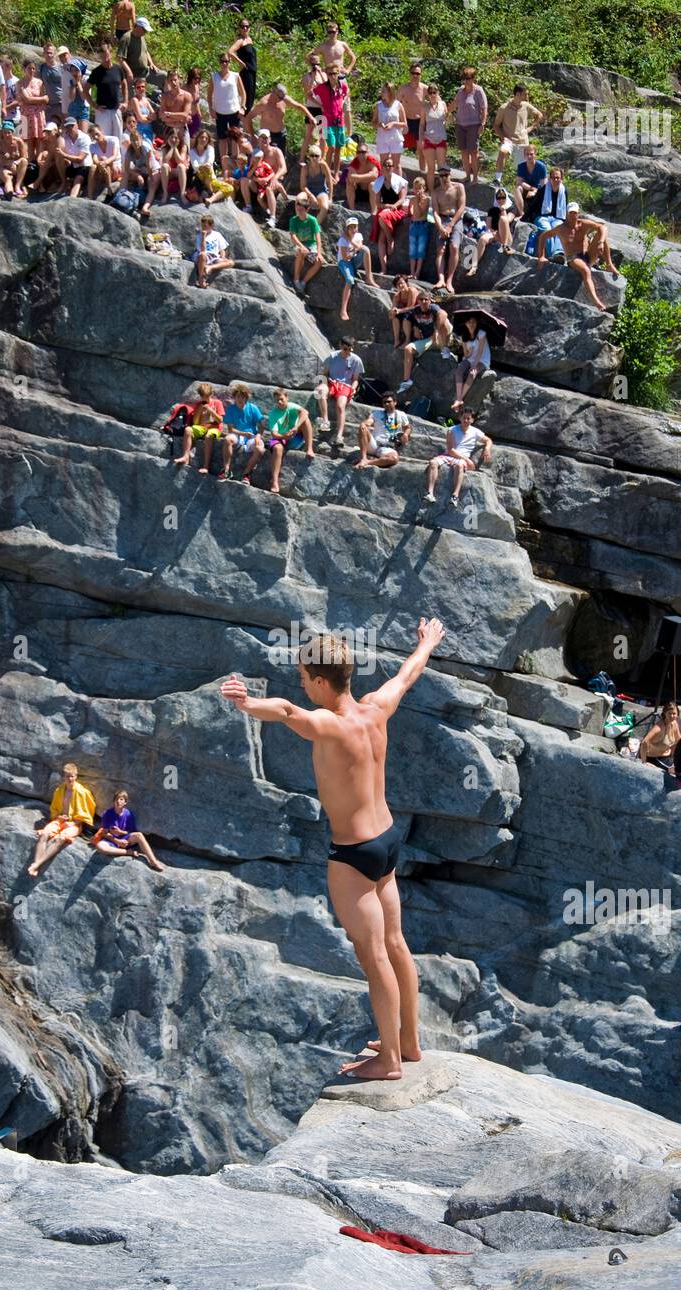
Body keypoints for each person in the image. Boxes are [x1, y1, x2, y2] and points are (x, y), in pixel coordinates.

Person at [220, 617, 447, 1081]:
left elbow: (285, 712)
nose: (301, 685)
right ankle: (408, 1042)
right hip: (387, 841)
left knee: (374, 954)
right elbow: (408, 674)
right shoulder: (375, 709)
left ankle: (388, 1061)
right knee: (396, 943)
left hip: (355, 854)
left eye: (305, 678)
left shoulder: (328, 724)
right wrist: (426, 642)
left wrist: (246, 704)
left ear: (321, 682)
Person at [536, 204, 616, 311]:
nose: (573, 215)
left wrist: (600, 241)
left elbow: (603, 227)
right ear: (566, 214)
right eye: (571, 213)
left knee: (603, 236)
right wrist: (541, 256)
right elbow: (543, 236)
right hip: (573, 258)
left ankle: (609, 265)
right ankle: (597, 302)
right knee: (586, 271)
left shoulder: (583, 224)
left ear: (578, 214)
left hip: (587, 255)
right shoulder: (561, 229)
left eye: (575, 213)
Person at [28, 762, 96, 878]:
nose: (70, 779)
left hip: (74, 824)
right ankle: (36, 865)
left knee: (60, 838)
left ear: (76, 776)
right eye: (67, 776)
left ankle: (36, 865)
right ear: (63, 777)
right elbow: (54, 810)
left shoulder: (81, 792)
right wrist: (58, 817)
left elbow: (86, 812)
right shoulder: (59, 791)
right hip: (60, 821)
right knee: (44, 834)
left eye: (72, 776)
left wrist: (72, 823)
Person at [424, 407, 492, 508]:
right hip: (450, 455)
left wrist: (487, 448)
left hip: (460, 460)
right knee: (433, 462)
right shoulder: (452, 430)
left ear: (472, 420)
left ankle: (455, 496)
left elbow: (488, 440)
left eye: (468, 418)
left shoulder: (475, 432)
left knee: (459, 465)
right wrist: (467, 459)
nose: (466, 420)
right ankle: (430, 493)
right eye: (464, 418)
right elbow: (450, 450)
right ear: (460, 418)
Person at [92, 789, 165, 871]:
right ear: (113, 801)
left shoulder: (128, 814)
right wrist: (117, 841)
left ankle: (153, 861)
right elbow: (104, 833)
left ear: (125, 802)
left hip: (125, 839)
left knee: (139, 835)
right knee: (99, 847)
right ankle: (128, 852)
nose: (118, 801)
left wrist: (120, 832)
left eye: (121, 799)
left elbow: (131, 831)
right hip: (112, 840)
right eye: (116, 799)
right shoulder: (107, 814)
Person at [396, 289, 452, 393]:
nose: (424, 302)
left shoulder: (434, 308)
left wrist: (436, 330)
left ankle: (446, 349)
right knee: (408, 349)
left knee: (445, 323)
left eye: (426, 299)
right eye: (421, 299)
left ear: (430, 301)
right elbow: (406, 320)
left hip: (440, 338)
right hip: (427, 340)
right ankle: (406, 380)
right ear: (418, 301)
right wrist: (414, 329)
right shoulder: (416, 310)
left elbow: (443, 314)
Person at [316, 337, 364, 448]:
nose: (348, 352)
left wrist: (353, 389)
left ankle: (339, 436)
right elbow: (324, 375)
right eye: (345, 349)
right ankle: (325, 421)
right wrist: (327, 381)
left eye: (350, 349)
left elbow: (356, 379)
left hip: (345, 386)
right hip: (331, 382)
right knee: (320, 391)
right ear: (340, 345)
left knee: (340, 406)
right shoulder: (332, 357)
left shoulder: (356, 360)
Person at [264, 386, 314, 492]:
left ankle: (309, 448)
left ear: (287, 398)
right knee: (277, 448)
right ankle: (275, 482)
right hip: (281, 439)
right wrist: (284, 436)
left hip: (295, 437)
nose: (280, 402)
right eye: (277, 400)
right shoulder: (273, 413)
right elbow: (274, 434)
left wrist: (296, 427)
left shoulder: (291, 406)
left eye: (282, 399)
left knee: (306, 420)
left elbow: (305, 412)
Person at [492, 84, 543, 185]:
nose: (527, 96)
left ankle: (526, 187)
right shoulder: (504, 108)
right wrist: (503, 138)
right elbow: (496, 126)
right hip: (509, 140)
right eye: (526, 94)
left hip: (523, 142)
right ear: (518, 94)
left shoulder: (526, 105)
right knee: (502, 151)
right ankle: (497, 180)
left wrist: (531, 127)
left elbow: (539, 115)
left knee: (523, 169)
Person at [249, 80, 313, 155]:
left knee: (281, 157)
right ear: (274, 93)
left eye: (283, 97)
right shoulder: (263, 103)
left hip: (281, 134)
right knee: (269, 158)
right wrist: (252, 135)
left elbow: (298, 106)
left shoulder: (283, 99)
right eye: (280, 97)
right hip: (267, 136)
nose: (281, 100)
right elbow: (248, 118)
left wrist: (311, 117)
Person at [85, 40, 131, 142]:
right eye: (101, 53)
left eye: (106, 51)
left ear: (110, 52)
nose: (104, 55)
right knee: (102, 139)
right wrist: (94, 105)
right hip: (103, 111)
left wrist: (126, 102)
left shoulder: (118, 69)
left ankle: (117, 158)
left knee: (117, 139)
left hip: (116, 109)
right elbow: (85, 89)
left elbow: (124, 85)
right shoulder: (96, 72)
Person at [431, 165, 466, 295]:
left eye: (446, 175)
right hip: (442, 219)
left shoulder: (458, 187)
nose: (444, 178)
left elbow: (462, 207)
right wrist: (440, 227)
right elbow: (435, 212)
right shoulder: (436, 192)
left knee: (454, 247)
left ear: (450, 175)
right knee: (440, 250)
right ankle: (441, 279)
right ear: (438, 177)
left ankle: (449, 280)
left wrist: (451, 225)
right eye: (441, 176)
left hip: (455, 220)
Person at [371, 157, 408, 275]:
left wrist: (393, 206)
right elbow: (377, 202)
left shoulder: (399, 181)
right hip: (386, 210)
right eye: (386, 165)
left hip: (397, 211)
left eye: (390, 165)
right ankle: (383, 268)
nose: (388, 167)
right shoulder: (379, 182)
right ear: (382, 167)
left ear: (393, 167)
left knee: (382, 216)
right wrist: (387, 206)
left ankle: (389, 238)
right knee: (380, 239)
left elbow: (402, 199)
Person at [449, 66, 487, 184]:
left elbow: (484, 108)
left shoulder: (478, 91)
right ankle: (467, 176)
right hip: (460, 125)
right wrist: (444, 111)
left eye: (469, 78)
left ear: (474, 78)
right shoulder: (461, 90)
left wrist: (483, 124)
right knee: (463, 152)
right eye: (465, 78)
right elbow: (455, 104)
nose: (467, 80)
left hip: (473, 125)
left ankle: (475, 177)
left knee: (473, 152)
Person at [176, 379, 226, 468]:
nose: (204, 398)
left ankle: (206, 466)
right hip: (201, 428)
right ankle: (185, 456)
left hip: (214, 428)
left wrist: (210, 410)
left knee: (208, 436)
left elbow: (220, 420)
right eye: (202, 396)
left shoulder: (217, 403)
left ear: (211, 394)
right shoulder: (199, 404)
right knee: (188, 429)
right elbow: (195, 422)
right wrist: (199, 410)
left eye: (207, 396)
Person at [221, 382, 264, 482]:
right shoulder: (230, 409)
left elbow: (261, 428)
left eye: (242, 397)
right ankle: (226, 470)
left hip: (251, 436)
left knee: (260, 449)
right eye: (238, 397)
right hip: (238, 435)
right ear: (234, 398)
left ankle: (246, 474)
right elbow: (230, 429)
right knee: (228, 439)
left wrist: (258, 436)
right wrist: (243, 434)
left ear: (246, 398)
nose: (240, 399)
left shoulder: (253, 408)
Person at [356, 392, 411, 469]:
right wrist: (366, 424)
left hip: (387, 448)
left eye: (389, 402)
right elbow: (369, 421)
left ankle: (368, 462)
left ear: (395, 402)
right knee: (362, 426)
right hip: (373, 444)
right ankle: (363, 457)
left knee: (394, 459)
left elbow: (408, 427)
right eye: (384, 402)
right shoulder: (377, 413)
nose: (386, 404)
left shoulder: (401, 415)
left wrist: (405, 434)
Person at [207, 51, 245, 164]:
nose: (224, 64)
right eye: (222, 61)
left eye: (227, 61)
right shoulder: (214, 77)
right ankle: (224, 162)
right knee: (222, 138)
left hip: (234, 110)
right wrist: (211, 109)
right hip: (220, 112)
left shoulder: (235, 76)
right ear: (219, 62)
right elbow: (209, 95)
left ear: (230, 62)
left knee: (235, 137)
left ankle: (236, 161)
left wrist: (242, 107)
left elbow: (243, 94)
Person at [466, 186, 514, 273]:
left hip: (506, 237)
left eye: (503, 197)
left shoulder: (511, 209)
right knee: (483, 239)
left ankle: (505, 246)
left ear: (506, 198)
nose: (501, 200)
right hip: (495, 234)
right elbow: (488, 225)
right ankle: (474, 266)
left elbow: (508, 220)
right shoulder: (492, 210)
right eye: (498, 198)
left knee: (503, 219)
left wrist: (503, 210)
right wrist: (492, 231)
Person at [336, 217, 376, 321]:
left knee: (366, 250)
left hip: (353, 259)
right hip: (344, 262)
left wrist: (351, 241)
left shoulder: (358, 235)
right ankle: (343, 310)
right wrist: (352, 247)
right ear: (347, 229)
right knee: (349, 280)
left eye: (355, 227)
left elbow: (360, 247)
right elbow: (345, 257)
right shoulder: (342, 240)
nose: (353, 229)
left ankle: (369, 277)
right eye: (351, 227)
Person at [314, 61, 349, 176]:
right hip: (327, 121)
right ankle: (327, 172)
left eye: (334, 73)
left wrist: (343, 101)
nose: (332, 76)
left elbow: (347, 92)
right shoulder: (323, 87)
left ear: (338, 73)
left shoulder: (342, 85)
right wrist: (320, 105)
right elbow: (309, 93)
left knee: (339, 148)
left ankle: (336, 173)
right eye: (330, 74)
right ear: (327, 75)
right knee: (332, 147)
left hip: (339, 121)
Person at [244, 129, 286, 227]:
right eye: (261, 138)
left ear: (270, 139)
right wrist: (258, 180)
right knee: (244, 181)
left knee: (269, 189)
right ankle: (248, 206)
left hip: (273, 181)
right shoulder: (255, 153)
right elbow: (250, 172)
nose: (264, 140)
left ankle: (272, 218)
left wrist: (275, 178)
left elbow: (284, 168)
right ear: (258, 139)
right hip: (259, 183)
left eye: (266, 138)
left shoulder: (276, 151)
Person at [451, 313, 492, 408]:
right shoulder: (464, 336)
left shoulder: (481, 334)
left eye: (473, 322)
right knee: (459, 370)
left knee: (472, 373)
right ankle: (458, 397)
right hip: (470, 358)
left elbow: (480, 351)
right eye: (469, 322)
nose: (471, 324)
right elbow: (465, 354)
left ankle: (459, 399)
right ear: (466, 323)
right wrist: (470, 352)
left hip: (482, 359)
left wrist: (474, 364)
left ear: (477, 323)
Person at [121, 119, 159, 215]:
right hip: (141, 170)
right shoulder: (130, 150)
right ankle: (120, 196)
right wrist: (137, 175)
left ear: (140, 139)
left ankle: (145, 208)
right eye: (133, 140)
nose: (135, 142)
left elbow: (150, 166)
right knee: (125, 175)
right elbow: (126, 168)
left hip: (152, 170)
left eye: (137, 139)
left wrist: (150, 177)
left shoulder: (145, 147)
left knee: (151, 184)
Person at [189, 128, 234, 206]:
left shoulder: (210, 149)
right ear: (197, 138)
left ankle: (211, 199)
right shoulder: (192, 151)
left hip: (211, 179)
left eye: (206, 138)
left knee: (230, 188)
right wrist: (203, 166)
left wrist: (208, 164)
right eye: (201, 137)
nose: (203, 139)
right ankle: (211, 191)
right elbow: (195, 165)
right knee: (203, 168)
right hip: (199, 177)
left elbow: (210, 160)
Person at [289, 193, 324, 294]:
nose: (299, 212)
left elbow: (318, 237)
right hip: (298, 244)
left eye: (301, 210)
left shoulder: (312, 220)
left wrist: (319, 253)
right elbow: (293, 236)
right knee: (301, 251)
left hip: (311, 246)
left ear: (307, 209)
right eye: (298, 209)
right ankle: (296, 279)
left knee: (319, 262)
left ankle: (303, 282)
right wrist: (301, 246)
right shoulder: (293, 220)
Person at [396, 60, 427, 172]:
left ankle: (422, 172)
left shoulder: (425, 89)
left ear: (421, 75)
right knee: (399, 145)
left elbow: (436, 100)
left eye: (417, 73)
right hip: (406, 120)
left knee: (421, 148)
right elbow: (395, 104)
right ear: (410, 74)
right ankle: (395, 169)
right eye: (413, 73)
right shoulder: (404, 88)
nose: (415, 76)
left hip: (420, 121)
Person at [117, 17, 164, 90]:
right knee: (133, 98)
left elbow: (146, 51)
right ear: (137, 27)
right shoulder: (126, 38)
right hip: (133, 74)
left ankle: (167, 98)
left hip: (145, 71)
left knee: (165, 76)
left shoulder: (142, 37)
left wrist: (151, 63)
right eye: (144, 30)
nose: (145, 32)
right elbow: (120, 58)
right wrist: (129, 72)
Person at [372, 80, 406, 173]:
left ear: (390, 92)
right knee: (384, 164)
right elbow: (373, 122)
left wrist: (394, 124)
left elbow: (404, 123)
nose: (381, 93)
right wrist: (379, 124)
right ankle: (385, 185)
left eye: (384, 91)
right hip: (382, 138)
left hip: (395, 137)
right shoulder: (378, 105)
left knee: (396, 165)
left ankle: (398, 186)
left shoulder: (398, 105)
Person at [228, 16, 256, 130]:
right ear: (239, 28)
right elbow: (230, 52)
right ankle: (239, 124)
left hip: (253, 72)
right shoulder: (240, 41)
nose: (245, 28)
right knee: (247, 98)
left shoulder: (249, 40)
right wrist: (240, 62)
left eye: (247, 26)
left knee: (251, 98)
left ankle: (244, 124)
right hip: (246, 72)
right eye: (243, 26)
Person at [639, 702, 681, 770]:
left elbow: (679, 740)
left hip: (667, 756)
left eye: (674, 713)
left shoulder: (674, 723)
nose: (672, 716)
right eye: (669, 713)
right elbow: (644, 742)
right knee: (678, 770)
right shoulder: (659, 728)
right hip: (654, 758)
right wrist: (644, 762)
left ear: (677, 714)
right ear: (665, 713)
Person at [57, 114, 92, 197]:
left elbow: (80, 159)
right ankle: (64, 182)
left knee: (78, 179)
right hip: (73, 165)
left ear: (77, 125)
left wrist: (64, 155)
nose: (70, 128)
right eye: (67, 126)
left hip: (84, 166)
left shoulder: (84, 138)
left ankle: (72, 198)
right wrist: (61, 133)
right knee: (59, 158)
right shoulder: (64, 137)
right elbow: (58, 149)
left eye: (72, 126)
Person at [0, 119, 27, 198]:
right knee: (8, 179)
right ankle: (9, 193)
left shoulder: (19, 142)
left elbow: (24, 156)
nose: (6, 135)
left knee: (24, 161)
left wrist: (15, 163)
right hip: (5, 168)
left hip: (16, 168)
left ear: (12, 132)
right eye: (4, 133)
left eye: (9, 133)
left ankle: (17, 186)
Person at [19, 59, 48, 158]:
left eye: (33, 68)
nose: (31, 70)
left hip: (38, 115)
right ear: (24, 69)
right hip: (25, 115)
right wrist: (40, 99)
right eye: (29, 68)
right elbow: (26, 100)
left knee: (39, 140)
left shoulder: (39, 82)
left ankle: (39, 164)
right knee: (28, 141)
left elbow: (46, 99)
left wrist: (35, 100)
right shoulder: (20, 83)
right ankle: (31, 162)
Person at [298, 142, 333, 222]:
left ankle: (314, 227)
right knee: (299, 199)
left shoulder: (323, 166)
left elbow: (329, 182)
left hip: (321, 191)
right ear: (309, 156)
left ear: (320, 157)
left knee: (325, 207)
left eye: (316, 156)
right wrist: (311, 196)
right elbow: (302, 186)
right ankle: (300, 222)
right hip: (308, 191)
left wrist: (330, 198)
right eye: (312, 155)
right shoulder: (305, 168)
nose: (314, 158)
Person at [513, 142, 548, 219]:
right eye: (527, 154)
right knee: (517, 189)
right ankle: (521, 213)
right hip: (527, 188)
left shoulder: (541, 167)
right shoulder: (521, 166)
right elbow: (519, 182)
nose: (529, 156)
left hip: (538, 190)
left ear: (535, 154)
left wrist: (535, 191)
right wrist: (530, 188)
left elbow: (544, 186)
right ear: (524, 155)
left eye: (531, 154)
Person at [158, 67, 193, 144]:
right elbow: (162, 116)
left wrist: (169, 114)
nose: (173, 82)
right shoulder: (165, 96)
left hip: (182, 129)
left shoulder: (187, 96)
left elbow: (185, 114)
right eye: (171, 80)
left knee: (184, 153)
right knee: (168, 154)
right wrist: (180, 118)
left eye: (175, 80)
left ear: (179, 80)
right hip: (169, 129)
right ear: (168, 82)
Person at [405, 177, 431, 281]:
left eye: (419, 188)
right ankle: (412, 272)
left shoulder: (427, 200)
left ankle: (417, 273)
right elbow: (410, 212)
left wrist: (417, 201)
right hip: (413, 225)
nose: (417, 191)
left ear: (424, 188)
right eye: (415, 188)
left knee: (420, 250)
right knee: (412, 249)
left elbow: (420, 213)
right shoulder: (412, 199)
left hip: (423, 225)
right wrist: (411, 209)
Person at [88, 123, 122, 198]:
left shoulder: (113, 139)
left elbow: (114, 155)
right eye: (93, 136)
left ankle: (109, 190)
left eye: (97, 134)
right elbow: (95, 159)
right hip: (102, 170)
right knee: (93, 167)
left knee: (104, 159)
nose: (96, 137)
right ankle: (89, 195)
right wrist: (100, 164)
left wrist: (104, 162)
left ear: (102, 131)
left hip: (115, 169)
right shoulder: (92, 145)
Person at [344, 137, 380, 209]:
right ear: (356, 153)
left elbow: (374, 176)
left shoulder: (372, 162)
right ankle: (352, 209)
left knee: (373, 184)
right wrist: (368, 176)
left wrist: (357, 177)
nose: (361, 155)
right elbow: (351, 178)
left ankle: (374, 211)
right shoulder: (354, 163)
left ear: (367, 153)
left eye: (363, 152)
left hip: (371, 192)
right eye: (359, 152)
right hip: (359, 192)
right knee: (349, 182)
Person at [300, 56, 324, 159]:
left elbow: (327, 88)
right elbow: (307, 93)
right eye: (314, 64)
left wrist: (320, 75)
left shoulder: (324, 75)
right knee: (308, 134)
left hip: (322, 108)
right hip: (312, 107)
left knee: (323, 135)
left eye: (317, 64)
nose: (316, 66)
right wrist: (313, 78)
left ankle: (322, 158)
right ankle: (302, 158)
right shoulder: (307, 77)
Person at [156, 124, 187, 203]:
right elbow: (165, 161)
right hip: (169, 172)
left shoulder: (183, 146)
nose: (173, 139)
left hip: (180, 171)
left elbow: (180, 161)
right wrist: (172, 148)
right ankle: (165, 193)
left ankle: (182, 193)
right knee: (164, 166)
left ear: (179, 139)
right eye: (171, 137)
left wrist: (175, 148)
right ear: (168, 138)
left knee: (181, 166)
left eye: (176, 137)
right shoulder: (164, 147)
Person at [29, 120, 61, 192]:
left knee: (46, 154)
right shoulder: (44, 141)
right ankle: (42, 184)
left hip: (58, 162)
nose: (48, 133)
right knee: (44, 154)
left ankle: (39, 182)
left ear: (55, 131)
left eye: (49, 131)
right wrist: (39, 160)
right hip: (48, 162)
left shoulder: (59, 140)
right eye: (47, 131)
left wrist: (48, 161)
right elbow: (40, 154)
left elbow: (59, 155)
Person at [389, 274, 418, 346]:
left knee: (406, 318)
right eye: (398, 284)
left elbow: (411, 307)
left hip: (415, 312)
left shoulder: (412, 291)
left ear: (406, 283)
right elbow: (392, 312)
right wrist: (393, 312)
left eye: (402, 283)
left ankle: (407, 340)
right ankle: (396, 340)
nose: (400, 285)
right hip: (405, 311)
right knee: (395, 318)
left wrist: (399, 311)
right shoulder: (397, 296)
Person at [38, 42, 62, 129]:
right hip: (49, 105)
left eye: (50, 53)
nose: (48, 55)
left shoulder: (62, 67)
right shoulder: (42, 68)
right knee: (49, 131)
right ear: (43, 54)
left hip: (62, 104)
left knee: (62, 131)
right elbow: (40, 86)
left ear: (54, 54)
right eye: (46, 53)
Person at [66, 60, 90, 132]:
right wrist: (74, 84)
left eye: (76, 70)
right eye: (72, 71)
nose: (74, 73)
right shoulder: (71, 81)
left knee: (83, 134)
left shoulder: (86, 80)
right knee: (72, 132)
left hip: (83, 109)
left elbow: (83, 97)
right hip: (73, 109)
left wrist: (78, 82)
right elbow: (72, 98)